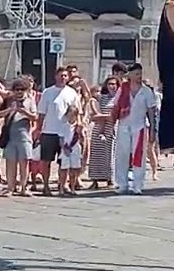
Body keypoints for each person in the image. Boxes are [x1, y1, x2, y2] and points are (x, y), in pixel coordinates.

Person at [111, 63, 158, 195]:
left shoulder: (146, 91)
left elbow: (151, 113)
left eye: (140, 74)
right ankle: (122, 184)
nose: (139, 77)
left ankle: (137, 184)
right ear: (130, 75)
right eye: (136, 74)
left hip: (140, 127)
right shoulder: (122, 89)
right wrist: (111, 124)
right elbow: (115, 107)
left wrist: (153, 131)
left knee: (139, 156)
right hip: (123, 125)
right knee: (122, 155)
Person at [36, 67, 80, 197]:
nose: (63, 78)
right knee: (46, 160)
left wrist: (78, 127)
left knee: (64, 163)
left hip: (66, 132)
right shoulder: (48, 92)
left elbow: (77, 111)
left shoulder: (72, 93)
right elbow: (41, 113)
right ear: (56, 76)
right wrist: (38, 129)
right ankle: (45, 186)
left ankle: (63, 185)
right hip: (49, 131)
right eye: (61, 75)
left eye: (65, 76)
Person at [87, 76, 120, 190]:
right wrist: (107, 117)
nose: (112, 86)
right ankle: (95, 180)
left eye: (114, 84)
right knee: (96, 155)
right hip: (99, 129)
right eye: (110, 84)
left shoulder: (119, 99)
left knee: (110, 155)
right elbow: (94, 113)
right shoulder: (101, 98)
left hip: (112, 129)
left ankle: (110, 179)